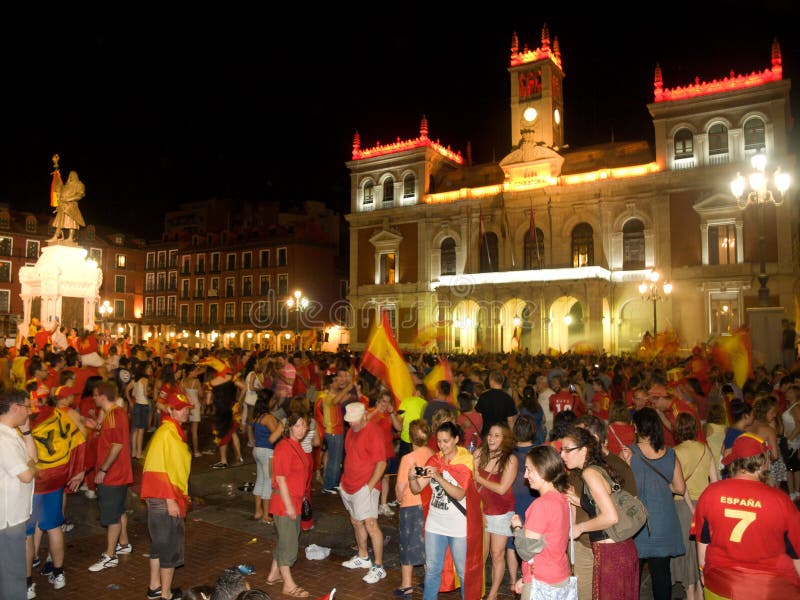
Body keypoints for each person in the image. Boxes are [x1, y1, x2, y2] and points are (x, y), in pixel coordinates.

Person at [691, 432, 800, 596]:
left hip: (721, 586)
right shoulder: (781, 501)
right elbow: (796, 553)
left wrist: (703, 574)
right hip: (769, 590)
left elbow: (702, 542)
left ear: (734, 461)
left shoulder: (710, 493)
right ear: (763, 463)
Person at [560, 424, 639, 600]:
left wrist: (579, 528)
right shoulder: (595, 468)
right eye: (561, 450)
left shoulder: (590, 473)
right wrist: (579, 500)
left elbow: (610, 516)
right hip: (617, 548)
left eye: (567, 450)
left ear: (583, 450)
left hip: (612, 552)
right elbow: (601, 503)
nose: (562, 455)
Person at [409, 421, 483, 600]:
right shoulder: (435, 460)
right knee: (433, 569)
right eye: (439, 441)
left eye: (446, 441)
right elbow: (417, 488)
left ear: (456, 439)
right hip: (435, 524)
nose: (442, 445)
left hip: (458, 527)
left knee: (464, 572)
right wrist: (411, 477)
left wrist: (438, 477)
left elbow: (459, 494)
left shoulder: (465, 461)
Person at [26, 383, 87, 594]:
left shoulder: (21, 422)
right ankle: (59, 573)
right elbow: (79, 440)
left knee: (29, 529)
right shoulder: (60, 415)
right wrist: (78, 471)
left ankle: (28, 582)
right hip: (56, 479)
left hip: (33, 481)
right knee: (53, 526)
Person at [628, 407, 686, 600]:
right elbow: (680, 488)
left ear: (636, 428)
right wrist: (662, 486)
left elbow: (620, 488)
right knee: (661, 576)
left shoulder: (628, 454)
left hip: (636, 522)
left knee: (632, 576)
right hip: (662, 522)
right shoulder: (670, 454)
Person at [140, 390, 192, 600]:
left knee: (159, 545)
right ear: (170, 410)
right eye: (180, 409)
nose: (185, 413)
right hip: (165, 498)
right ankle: (166, 593)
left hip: (166, 496)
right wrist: (170, 500)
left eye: (187, 409)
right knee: (168, 548)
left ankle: (155, 587)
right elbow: (157, 469)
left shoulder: (172, 431)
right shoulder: (166, 434)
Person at [510, 445, 571, 600]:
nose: (525, 475)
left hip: (541, 581)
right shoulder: (563, 498)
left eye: (529, 470)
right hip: (560, 575)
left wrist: (517, 528)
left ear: (543, 470)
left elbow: (526, 551)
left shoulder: (541, 505)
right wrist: (525, 579)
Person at [339, 401, 388, 584]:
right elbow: (350, 455)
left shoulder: (373, 432)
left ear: (364, 416)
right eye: (349, 420)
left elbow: (381, 463)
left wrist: (369, 487)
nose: (350, 424)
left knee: (370, 524)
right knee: (356, 521)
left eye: (353, 420)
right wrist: (343, 482)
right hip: (349, 485)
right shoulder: (352, 431)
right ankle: (363, 556)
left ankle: (378, 566)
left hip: (365, 487)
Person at [87, 381, 134, 573]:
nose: (94, 398)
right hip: (118, 473)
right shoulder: (113, 414)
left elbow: (117, 445)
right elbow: (112, 439)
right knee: (118, 510)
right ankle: (123, 544)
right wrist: (97, 429)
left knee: (112, 516)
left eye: (96, 395)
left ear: (103, 395)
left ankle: (110, 555)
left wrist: (103, 470)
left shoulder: (114, 414)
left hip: (113, 474)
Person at [671, 412, 717, 600]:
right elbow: (715, 481)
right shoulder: (706, 449)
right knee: (702, 548)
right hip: (706, 504)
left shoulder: (674, 453)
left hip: (682, 506)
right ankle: (700, 588)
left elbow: (678, 486)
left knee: (686, 548)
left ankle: (689, 592)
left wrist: (691, 507)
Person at [265, 412, 311, 597]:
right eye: (298, 425)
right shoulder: (284, 447)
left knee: (286, 540)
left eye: (304, 425)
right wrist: (290, 507)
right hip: (285, 503)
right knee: (290, 545)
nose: (301, 429)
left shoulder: (296, 445)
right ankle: (288, 584)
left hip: (294, 501)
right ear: (289, 426)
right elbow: (281, 479)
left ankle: (273, 574)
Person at [473, 422, 518, 600]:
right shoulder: (479, 453)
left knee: (497, 554)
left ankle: (493, 594)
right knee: (481, 555)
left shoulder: (510, 460)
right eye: (490, 434)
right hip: (482, 510)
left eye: (497, 435)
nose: (491, 438)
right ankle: (478, 589)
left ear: (505, 439)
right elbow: (471, 481)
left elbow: (501, 488)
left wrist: (478, 477)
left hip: (501, 512)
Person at [0, 391, 37, 600]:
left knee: (11, 574)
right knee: (13, 578)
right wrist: (32, 468)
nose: (30, 411)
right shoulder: (3, 439)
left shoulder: (12, 433)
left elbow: (33, 458)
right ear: (15, 408)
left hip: (14, 516)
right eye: (27, 406)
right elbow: (26, 475)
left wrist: (27, 433)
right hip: (8, 520)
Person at [394, 418, 434, 597]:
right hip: (428, 506)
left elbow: (401, 486)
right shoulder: (432, 454)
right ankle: (429, 581)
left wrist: (398, 498)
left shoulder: (407, 459)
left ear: (410, 438)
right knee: (427, 544)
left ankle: (406, 584)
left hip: (410, 506)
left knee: (407, 544)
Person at [506, 414, 538, 596]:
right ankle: (530, 578)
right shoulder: (538, 453)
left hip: (515, 501)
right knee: (533, 541)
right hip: (533, 500)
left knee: (512, 543)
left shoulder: (509, 455)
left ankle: (512, 580)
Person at [251, 389, 283, 523]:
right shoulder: (268, 418)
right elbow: (275, 436)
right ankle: (266, 515)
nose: (274, 402)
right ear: (268, 401)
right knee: (268, 482)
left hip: (257, 449)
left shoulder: (256, 416)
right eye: (273, 400)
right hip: (267, 452)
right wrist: (281, 425)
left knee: (260, 480)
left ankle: (258, 511)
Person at [368, 389, 399, 516]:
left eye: (388, 402)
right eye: (383, 401)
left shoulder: (389, 415)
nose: (385, 404)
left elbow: (399, 428)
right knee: (373, 477)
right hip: (373, 451)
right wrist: (377, 410)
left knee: (385, 477)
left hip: (387, 450)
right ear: (378, 401)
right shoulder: (371, 412)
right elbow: (364, 421)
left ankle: (383, 504)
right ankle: (369, 504)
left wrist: (392, 414)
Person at [475, 370, 517, 436]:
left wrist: (478, 433)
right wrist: (512, 436)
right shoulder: (508, 398)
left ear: (491, 381)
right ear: (503, 381)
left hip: (487, 433)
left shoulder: (483, 396)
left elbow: (478, 418)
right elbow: (511, 421)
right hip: (503, 433)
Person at [48, 170, 86, 243]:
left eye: (72, 175)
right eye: (70, 175)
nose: (71, 177)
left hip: (71, 206)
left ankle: (70, 237)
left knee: (71, 222)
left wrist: (69, 199)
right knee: (60, 222)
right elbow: (60, 192)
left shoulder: (79, 184)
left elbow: (80, 195)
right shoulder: (65, 186)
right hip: (62, 205)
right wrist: (58, 187)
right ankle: (57, 236)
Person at [780, 384, 800, 500]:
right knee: (793, 468)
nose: (787, 393)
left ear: (795, 394)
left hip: (792, 442)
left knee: (791, 468)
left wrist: (789, 440)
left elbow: (799, 426)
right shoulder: (792, 406)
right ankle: (795, 492)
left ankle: (794, 492)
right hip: (792, 441)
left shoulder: (796, 407)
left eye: (790, 392)